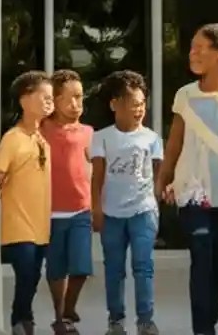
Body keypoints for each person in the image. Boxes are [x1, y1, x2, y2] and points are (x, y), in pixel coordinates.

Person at [157, 24, 218, 335]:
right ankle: (202, 330)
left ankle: (209, 321)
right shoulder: (185, 95)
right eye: (191, 47)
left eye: (200, 48)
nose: (192, 53)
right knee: (201, 255)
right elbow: (174, 143)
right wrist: (163, 179)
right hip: (192, 191)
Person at [91, 70, 163, 335]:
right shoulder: (101, 137)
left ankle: (145, 320)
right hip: (111, 214)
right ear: (115, 104)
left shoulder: (152, 138)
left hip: (143, 212)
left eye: (142, 104)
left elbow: (159, 174)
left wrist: (159, 199)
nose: (139, 109)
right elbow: (97, 176)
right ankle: (116, 321)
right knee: (114, 269)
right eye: (133, 104)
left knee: (143, 267)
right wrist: (96, 208)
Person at [0, 71, 54, 335]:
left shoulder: (42, 141)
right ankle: (20, 320)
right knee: (25, 273)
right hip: (18, 224)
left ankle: (24, 317)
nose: (49, 102)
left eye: (51, 97)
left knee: (34, 276)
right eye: (43, 96)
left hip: (41, 226)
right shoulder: (13, 138)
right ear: (24, 100)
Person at [41, 70, 93, 335]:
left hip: (81, 209)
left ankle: (69, 309)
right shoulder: (42, 129)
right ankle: (61, 318)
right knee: (56, 268)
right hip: (50, 212)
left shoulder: (88, 132)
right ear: (55, 100)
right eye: (70, 98)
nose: (76, 104)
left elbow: (97, 168)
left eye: (80, 97)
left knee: (82, 267)